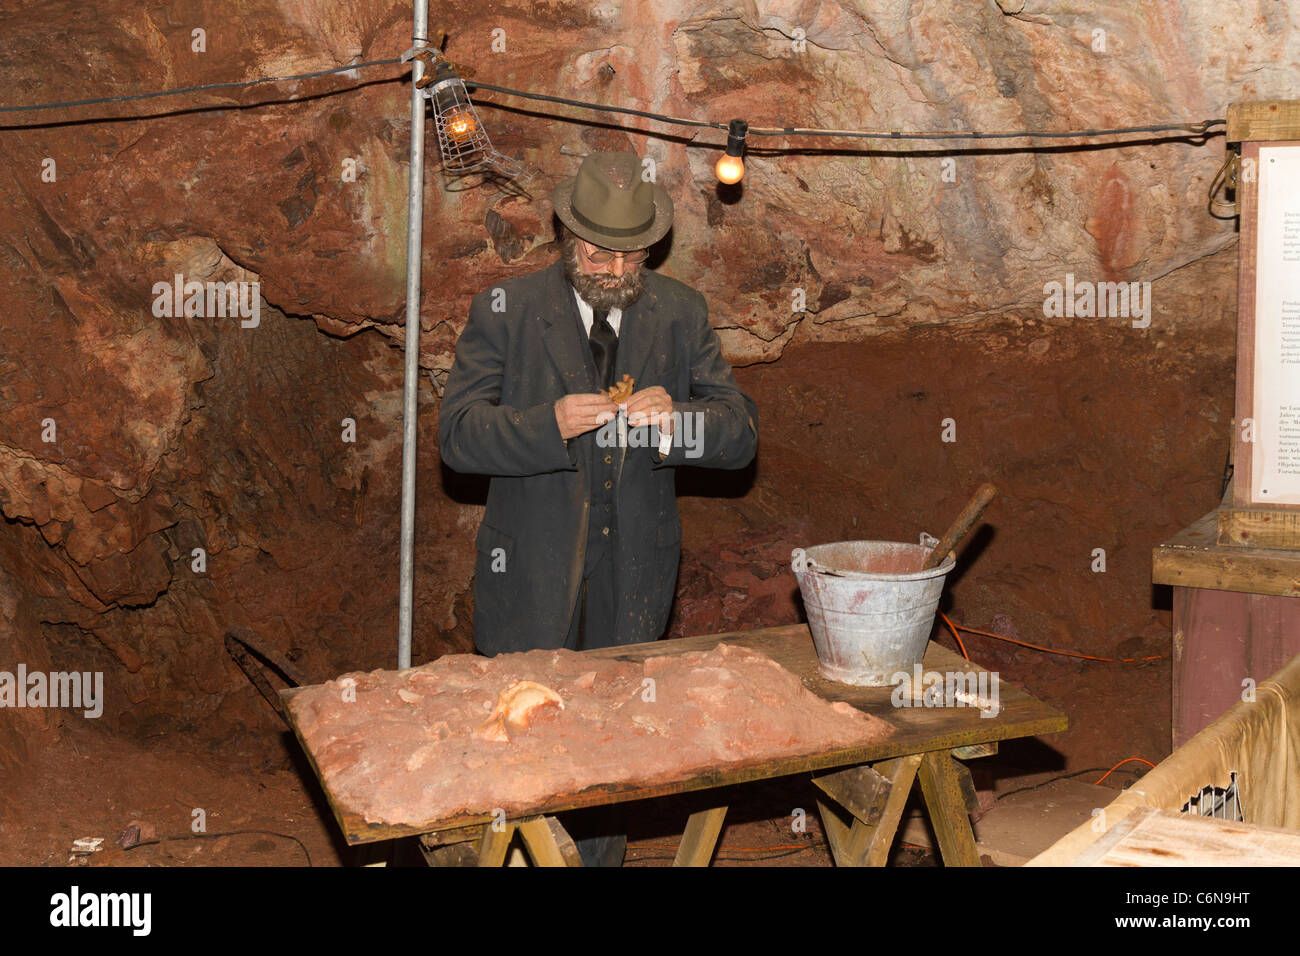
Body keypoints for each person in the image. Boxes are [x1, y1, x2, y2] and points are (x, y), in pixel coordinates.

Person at [437, 149, 758, 865]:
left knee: (613, 757)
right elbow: (457, 436)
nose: (614, 273)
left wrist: (679, 420)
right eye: (597, 255)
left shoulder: (680, 312)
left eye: (630, 259)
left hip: (633, 580)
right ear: (567, 235)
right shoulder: (509, 310)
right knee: (523, 754)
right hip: (530, 577)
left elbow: (740, 435)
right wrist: (545, 424)